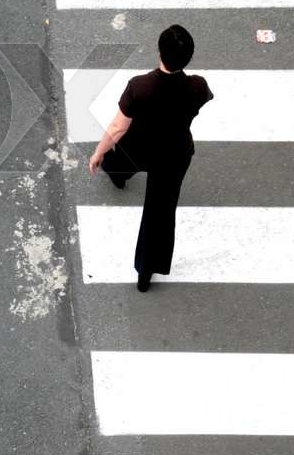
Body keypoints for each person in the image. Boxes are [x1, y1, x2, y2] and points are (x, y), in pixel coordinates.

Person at [87, 24, 214, 292]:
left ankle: (116, 175)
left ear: (159, 52)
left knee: (117, 159)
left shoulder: (140, 87)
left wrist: (98, 152)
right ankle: (145, 274)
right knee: (160, 215)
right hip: (174, 155)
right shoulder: (198, 87)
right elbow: (199, 103)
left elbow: (118, 128)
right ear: (188, 58)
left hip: (139, 145)